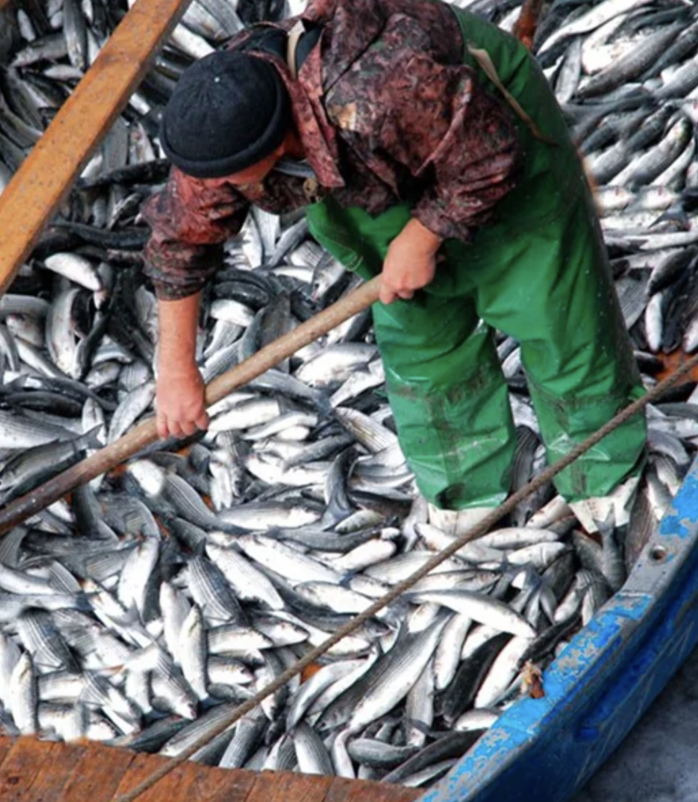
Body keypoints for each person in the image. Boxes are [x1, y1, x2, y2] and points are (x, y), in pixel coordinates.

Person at [139, 0, 647, 536]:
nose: (218, 190)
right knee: (422, 342)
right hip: (370, 165)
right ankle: (466, 498)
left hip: (479, 131)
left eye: (230, 180)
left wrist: (423, 234)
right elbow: (181, 240)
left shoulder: (378, 89)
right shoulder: (219, 129)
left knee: (555, 314)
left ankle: (603, 478)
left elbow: (487, 159)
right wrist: (175, 371)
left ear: (274, 142)